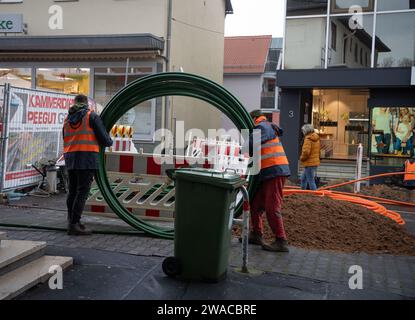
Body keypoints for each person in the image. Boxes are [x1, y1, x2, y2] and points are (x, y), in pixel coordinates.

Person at [63, 94, 113, 235]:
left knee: (73, 191)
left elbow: (65, 138)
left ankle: (72, 221)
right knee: (82, 191)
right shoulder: (91, 117)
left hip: (70, 158)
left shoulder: (67, 119)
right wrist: (110, 141)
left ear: (74, 103)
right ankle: (74, 225)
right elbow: (105, 140)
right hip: (86, 158)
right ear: (86, 103)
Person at [246, 110, 291, 252]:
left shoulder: (263, 126)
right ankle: (256, 234)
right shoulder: (265, 127)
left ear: (254, 118)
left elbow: (249, 144)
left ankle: (281, 240)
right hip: (267, 172)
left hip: (275, 170)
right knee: (255, 203)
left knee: (272, 207)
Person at [300, 124, 320, 190]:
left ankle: (315, 195)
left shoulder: (308, 139)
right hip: (313, 162)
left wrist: (301, 158)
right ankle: (302, 193)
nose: (302, 132)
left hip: (309, 163)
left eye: (303, 131)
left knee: (310, 181)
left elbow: (306, 152)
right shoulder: (316, 138)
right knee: (303, 179)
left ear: (306, 131)